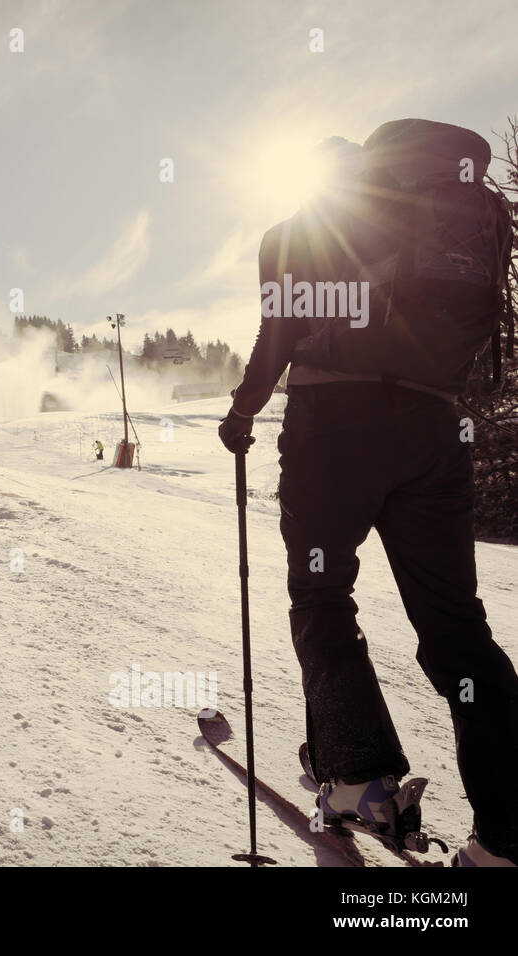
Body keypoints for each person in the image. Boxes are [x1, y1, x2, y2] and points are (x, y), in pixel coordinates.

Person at [219, 122, 517, 866]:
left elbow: (278, 332)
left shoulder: (299, 230)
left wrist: (243, 412)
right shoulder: (449, 223)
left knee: (321, 596)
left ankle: (356, 777)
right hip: (432, 427)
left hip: (334, 433)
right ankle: (510, 831)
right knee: (456, 626)